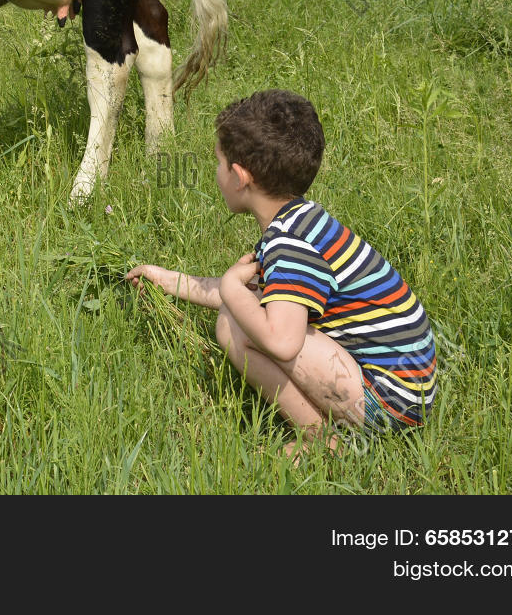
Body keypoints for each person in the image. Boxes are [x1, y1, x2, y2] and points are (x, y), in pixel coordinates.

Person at [126, 89, 437, 454]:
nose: (215, 172)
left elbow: (282, 342)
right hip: (407, 383)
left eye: (219, 162)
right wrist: (163, 278)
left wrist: (231, 288)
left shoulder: (290, 245)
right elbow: (254, 293)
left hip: (390, 402)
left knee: (234, 325)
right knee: (244, 309)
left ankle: (320, 440)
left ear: (240, 177)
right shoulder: (302, 219)